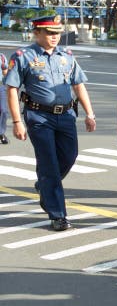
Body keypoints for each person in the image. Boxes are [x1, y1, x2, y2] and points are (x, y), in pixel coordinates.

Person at [2, 15, 96, 231]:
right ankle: (58, 214)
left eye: (57, 33)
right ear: (37, 33)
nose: (55, 37)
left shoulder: (66, 56)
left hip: (66, 116)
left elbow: (78, 85)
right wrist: (16, 121)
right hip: (39, 117)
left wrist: (89, 114)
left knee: (70, 156)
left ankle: (44, 185)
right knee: (49, 164)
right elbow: (12, 89)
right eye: (49, 33)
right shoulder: (24, 56)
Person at [0, 52, 9, 144]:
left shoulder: (1, 56)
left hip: (0, 86)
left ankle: (1, 133)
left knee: (3, 110)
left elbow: (5, 72)